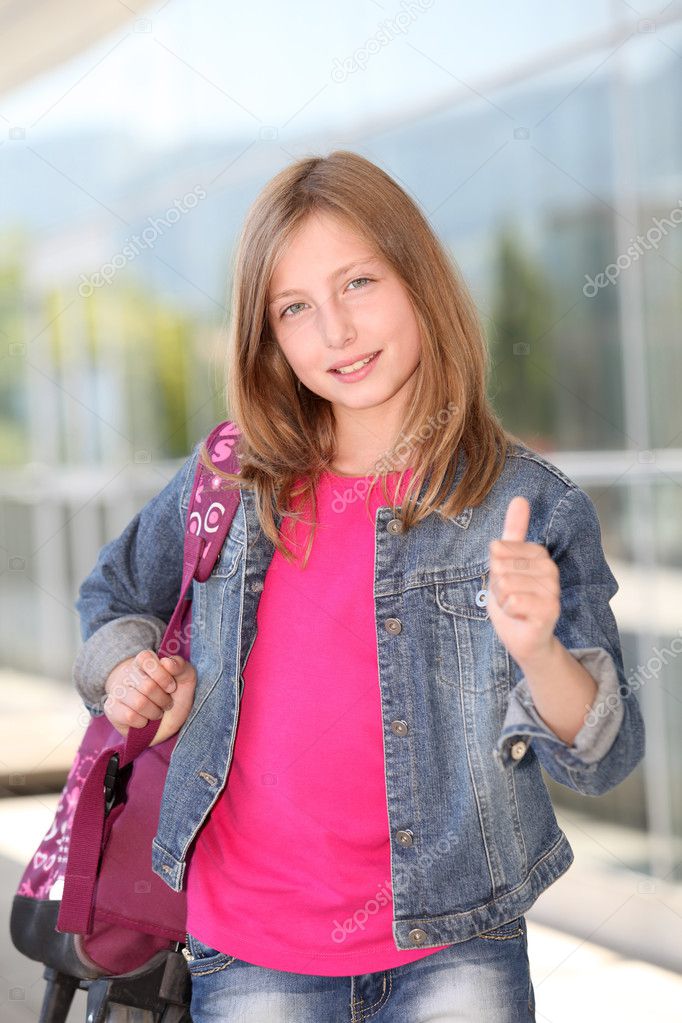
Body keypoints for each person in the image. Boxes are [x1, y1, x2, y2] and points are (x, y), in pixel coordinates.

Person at [72, 150, 645, 1022]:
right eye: (295, 307)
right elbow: (113, 596)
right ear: (268, 336)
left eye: (359, 283)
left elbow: (606, 752)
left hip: (456, 944)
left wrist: (539, 649)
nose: (335, 331)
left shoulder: (526, 504)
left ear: (419, 279)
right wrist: (130, 674)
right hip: (250, 949)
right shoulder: (230, 478)